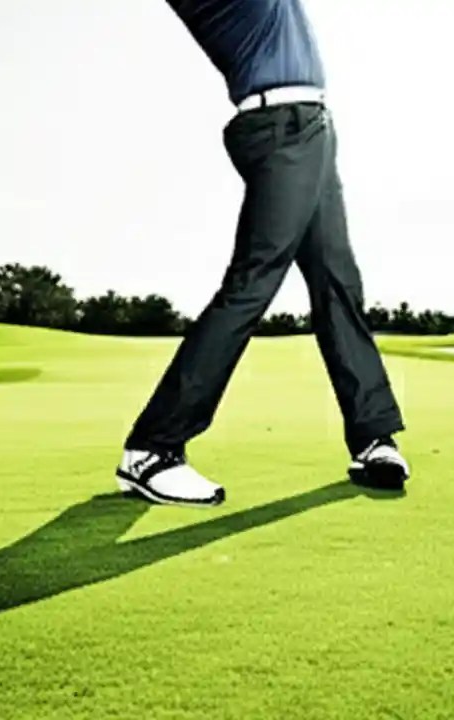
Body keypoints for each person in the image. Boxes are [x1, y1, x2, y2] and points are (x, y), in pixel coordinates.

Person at [114, 0, 410, 506]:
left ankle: (371, 437)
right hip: (282, 128)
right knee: (252, 283)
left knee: (337, 284)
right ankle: (152, 448)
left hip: (307, 126)